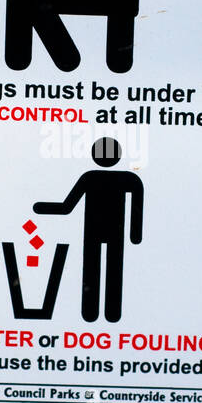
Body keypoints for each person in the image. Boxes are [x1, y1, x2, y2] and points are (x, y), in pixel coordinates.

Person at [33, 138, 142, 322]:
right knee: (109, 270)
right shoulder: (127, 178)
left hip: (96, 231)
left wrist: (42, 207)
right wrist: (135, 235)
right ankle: (109, 314)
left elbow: (66, 207)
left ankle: (93, 313)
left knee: (95, 270)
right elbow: (137, 203)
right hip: (109, 232)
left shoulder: (91, 177)